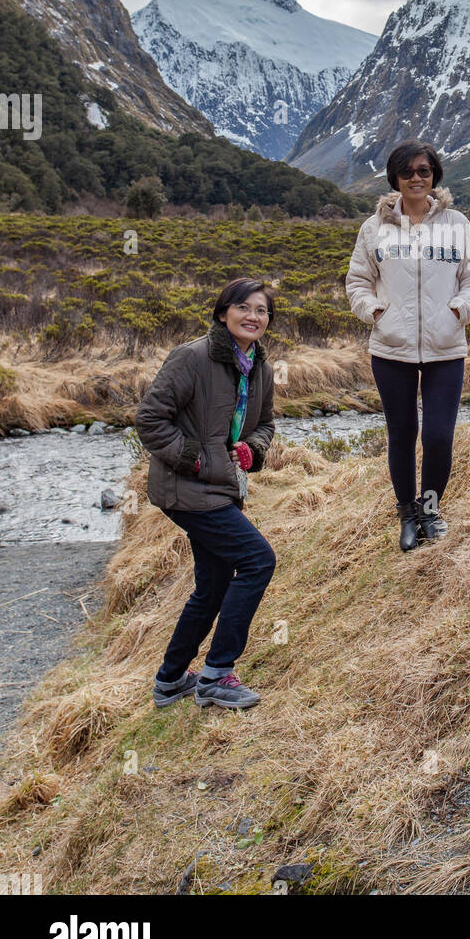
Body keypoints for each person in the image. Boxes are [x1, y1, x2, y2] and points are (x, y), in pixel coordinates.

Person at [135, 278, 277, 710]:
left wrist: (252, 450)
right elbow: (150, 419)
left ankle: (171, 679)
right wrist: (196, 459)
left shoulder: (260, 367)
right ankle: (216, 674)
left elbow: (265, 424)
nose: (254, 317)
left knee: (213, 584)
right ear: (223, 313)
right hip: (188, 488)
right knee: (257, 560)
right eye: (244, 308)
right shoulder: (192, 357)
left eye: (263, 311)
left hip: (222, 487)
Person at [346, 140, 470, 552]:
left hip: (446, 347)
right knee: (402, 433)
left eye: (424, 171)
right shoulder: (374, 228)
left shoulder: (457, 224)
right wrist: (376, 313)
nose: (416, 178)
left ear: (434, 176)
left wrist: (459, 311)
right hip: (391, 349)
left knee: (440, 436)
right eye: (407, 171)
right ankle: (407, 515)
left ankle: (430, 511)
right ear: (394, 177)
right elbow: (357, 281)